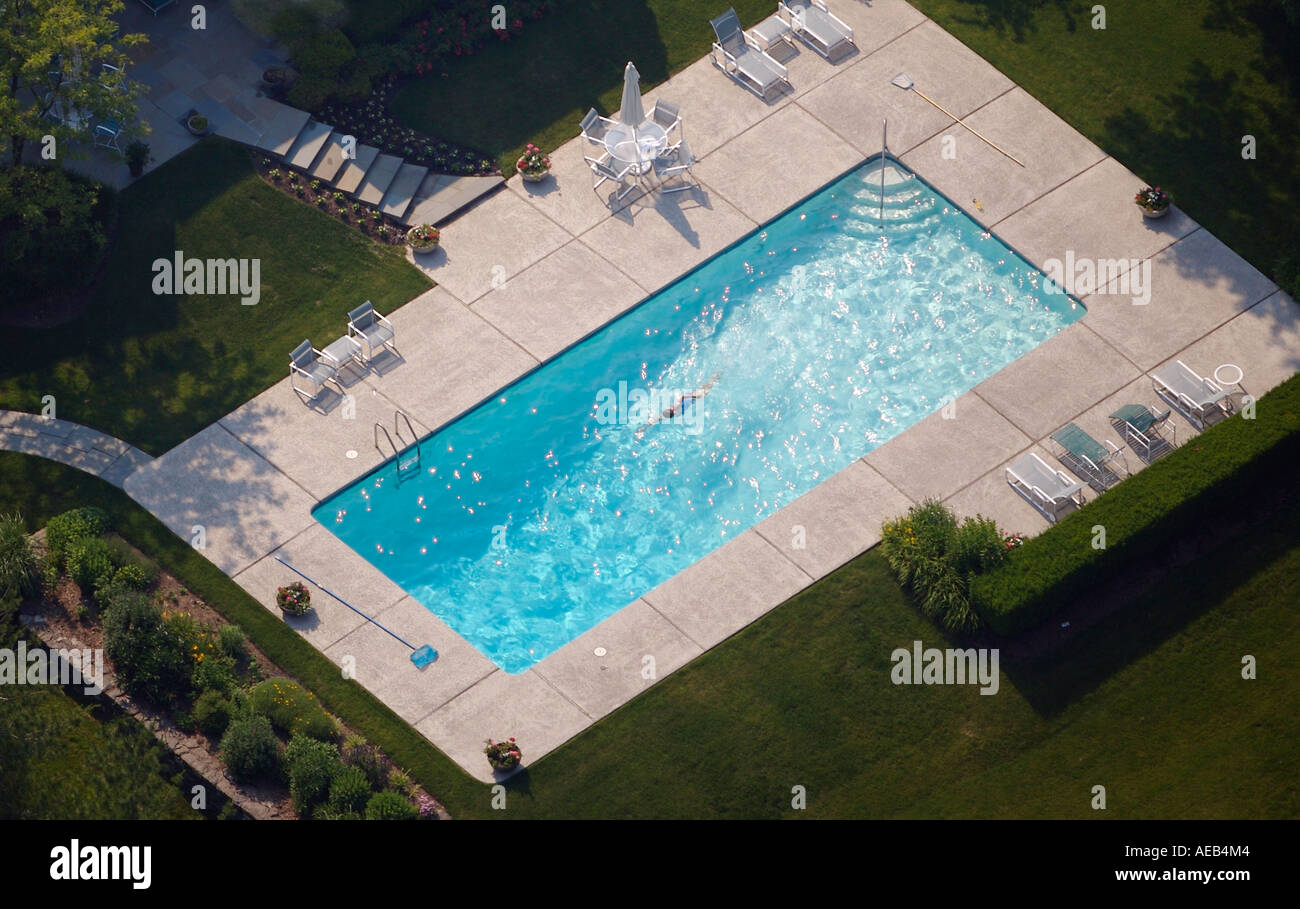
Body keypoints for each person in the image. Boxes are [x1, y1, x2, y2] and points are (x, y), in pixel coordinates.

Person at [635, 372, 719, 438]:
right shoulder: (668, 414)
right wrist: (644, 428)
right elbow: (655, 420)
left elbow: (682, 397)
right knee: (705, 389)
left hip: (691, 398)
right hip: (691, 401)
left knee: (705, 390)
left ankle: (714, 378)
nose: (670, 407)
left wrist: (694, 396)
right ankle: (713, 379)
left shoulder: (675, 407)